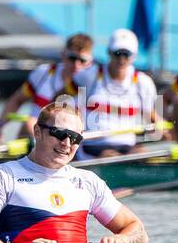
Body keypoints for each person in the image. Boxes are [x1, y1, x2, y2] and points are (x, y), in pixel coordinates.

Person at [0, 101, 148, 243]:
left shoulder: (87, 181)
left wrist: (122, 240)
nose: (66, 143)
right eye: (59, 133)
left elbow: (139, 233)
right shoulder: (2, 176)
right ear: (37, 131)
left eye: (75, 138)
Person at [67, 28, 160, 159]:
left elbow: (152, 118)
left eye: (126, 54)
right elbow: (60, 100)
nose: (121, 59)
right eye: (117, 53)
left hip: (127, 147)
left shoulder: (143, 83)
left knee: (143, 155)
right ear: (109, 53)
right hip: (93, 145)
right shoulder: (89, 75)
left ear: (134, 56)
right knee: (111, 156)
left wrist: (165, 130)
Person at [0, 33, 95, 146]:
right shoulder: (44, 73)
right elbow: (17, 100)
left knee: (31, 124)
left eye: (82, 60)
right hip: (36, 132)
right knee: (30, 124)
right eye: (72, 58)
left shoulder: (94, 83)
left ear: (90, 62)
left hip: (72, 140)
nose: (76, 65)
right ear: (63, 55)